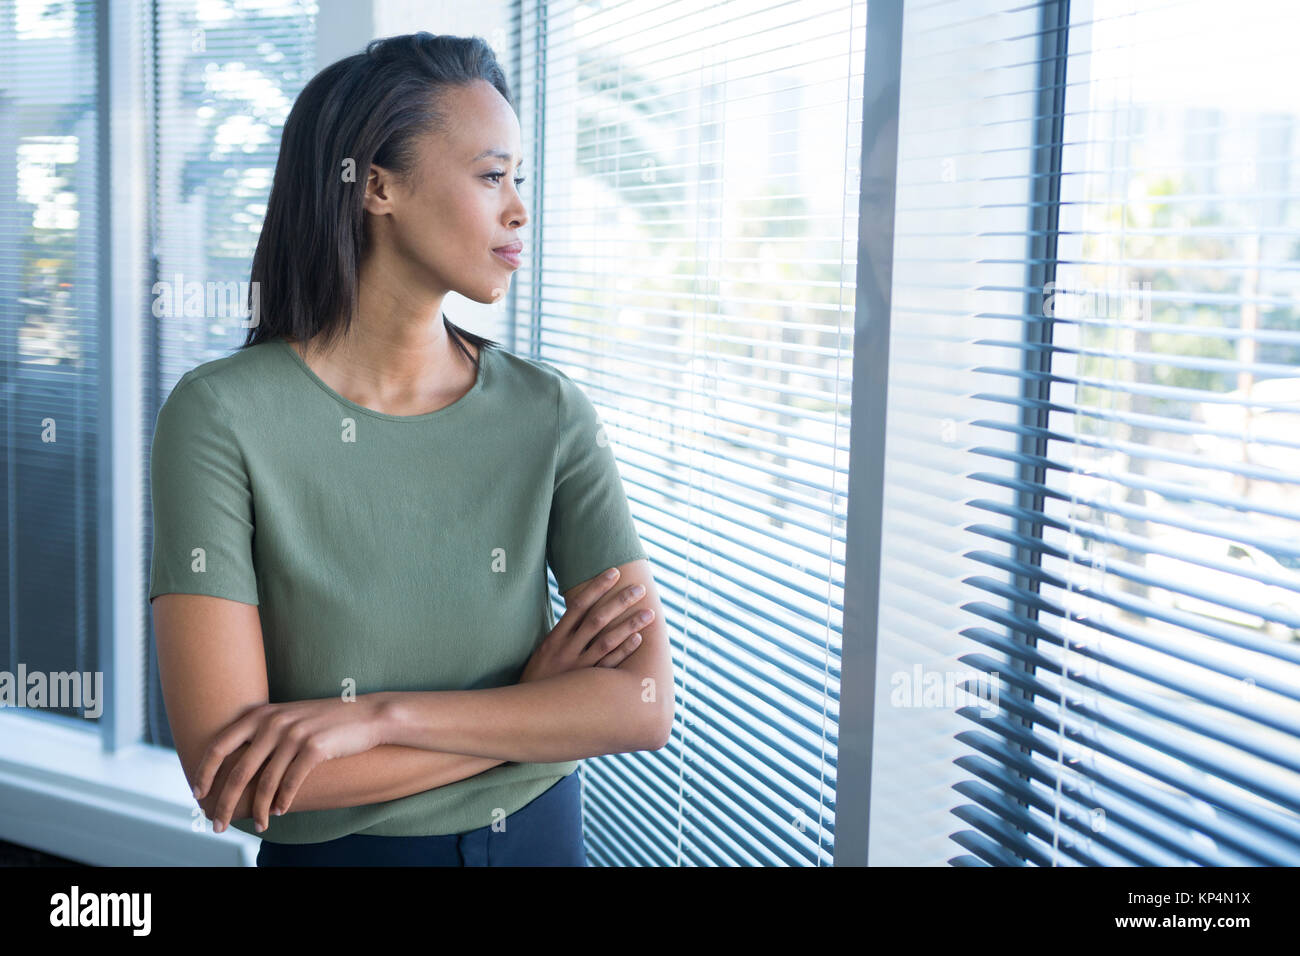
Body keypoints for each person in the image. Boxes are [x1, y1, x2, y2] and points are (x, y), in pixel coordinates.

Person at [148, 32, 673, 867]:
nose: (519, 209)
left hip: (539, 837)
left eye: (519, 180)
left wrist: (380, 718)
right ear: (378, 187)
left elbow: (641, 705)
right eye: (491, 176)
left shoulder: (549, 412)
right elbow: (231, 777)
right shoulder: (221, 417)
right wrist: (533, 711)